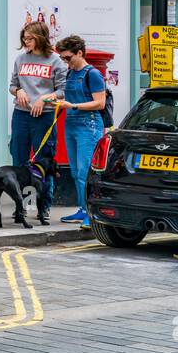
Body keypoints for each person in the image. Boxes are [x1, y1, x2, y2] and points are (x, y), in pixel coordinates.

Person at [55, 35, 107, 227]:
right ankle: (82, 208)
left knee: (85, 171)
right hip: (71, 124)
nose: (66, 63)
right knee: (76, 171)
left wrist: (73, 105)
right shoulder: (70, 74)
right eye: (63, 59)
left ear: (79, 53)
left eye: (68, 58)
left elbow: (100, 103)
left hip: (88, 126)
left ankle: (92, 213)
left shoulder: (92, 74)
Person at [8, 21, 66, 178]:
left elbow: (62, 91)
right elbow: (12, 86)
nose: (25, 42)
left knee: (44, 162)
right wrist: (18, 91)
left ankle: (43, 202)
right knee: (18, 159)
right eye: (24, 38)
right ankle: (22, 200)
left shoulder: (56, 61)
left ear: (40, 38)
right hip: (21, 115)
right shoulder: (20, 60)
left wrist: (45, 98)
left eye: (29, 39)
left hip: (44, 116)